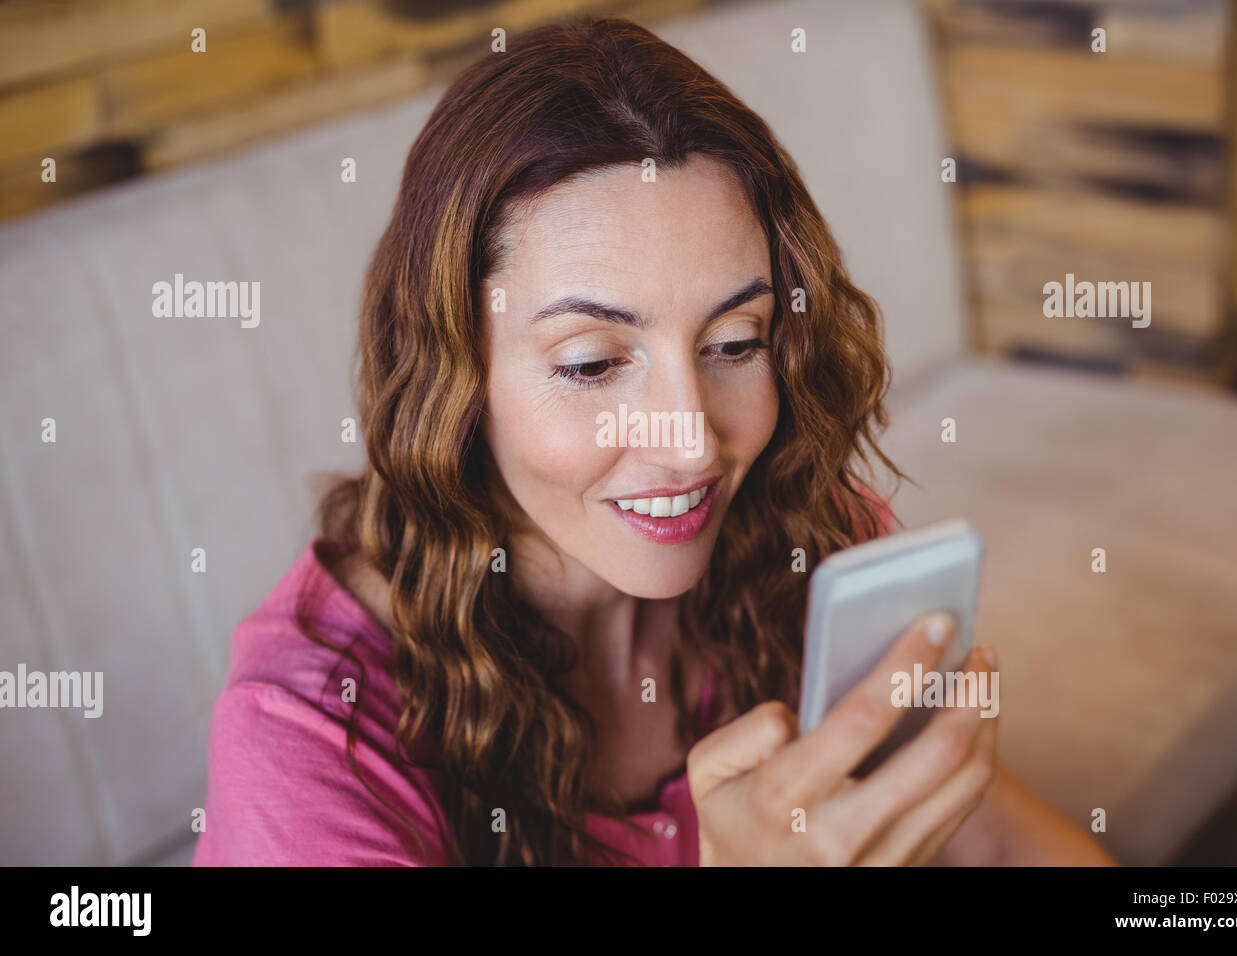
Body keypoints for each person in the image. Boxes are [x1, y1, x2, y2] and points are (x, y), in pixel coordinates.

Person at [194, 14, 1113, 867]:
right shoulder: (308, 732)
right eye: (592, 364)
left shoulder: (804, 542)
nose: (690, 446)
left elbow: (996, 847)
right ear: (453, 375)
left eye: (734, 343)